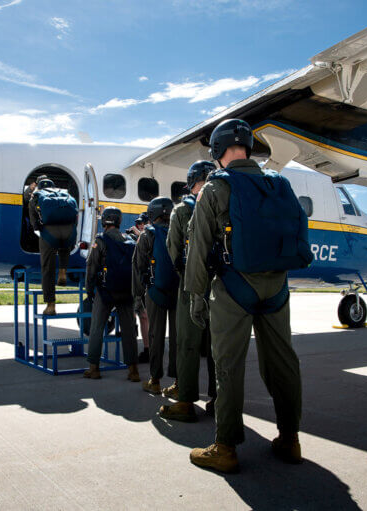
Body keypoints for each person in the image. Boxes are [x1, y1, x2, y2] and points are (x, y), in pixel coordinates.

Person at [185, 118, 312, 473]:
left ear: (217, 149)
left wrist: (196, 295)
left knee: (228, 366)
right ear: (248, 148)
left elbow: (198, 248)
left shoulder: (215, 188)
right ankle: (290, 438)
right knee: (283, 363)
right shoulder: (278, 183)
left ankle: (225, 447)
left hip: (234, 287)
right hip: (277, 288)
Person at [159, 160, 217, 423]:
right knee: (217, 346)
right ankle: (218, 400)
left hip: (191, 284)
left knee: (187, 344)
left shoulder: (182, 210)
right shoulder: (222, 202)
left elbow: (173, 249)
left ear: (192, 181)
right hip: (219, 285)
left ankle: (185, 401)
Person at [83, 207, 140, 381]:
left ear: (104, 221)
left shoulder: (100, 240)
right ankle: (133, 370)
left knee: (97, 328)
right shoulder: (129, 240)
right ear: (119, 221)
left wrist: (89, 290)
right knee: (129, 331)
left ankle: (94, 368)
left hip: (106, 292)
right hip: (127, 292)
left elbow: (91, 267)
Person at [132, 197, 178, 394]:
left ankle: (155, 380)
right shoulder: (180, 231)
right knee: (177, 338)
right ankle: (178, 382)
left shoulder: (147, 234)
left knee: (156, 335)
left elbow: (138, 266)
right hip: (179, 292)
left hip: (155, 291)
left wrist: (137, 295)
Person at [29, 175, 78, 316]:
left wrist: (40, 227)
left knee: (47, 269)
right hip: (69, 232)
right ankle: (63, 271)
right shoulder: (64, 194)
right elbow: (75, 218)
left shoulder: (36, 197)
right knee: (65, 245)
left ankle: (51, 305)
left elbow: (34, 224)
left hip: (49, 234)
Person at [127, 212, 151, 363]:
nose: (140, 226)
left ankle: (148, 349)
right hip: (136, 283)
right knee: (139, 315)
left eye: (143, 223)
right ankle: (143, 348)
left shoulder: (152, 236)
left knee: (145, 316)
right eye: (139, 224)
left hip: (148, 283)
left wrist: (140, 235)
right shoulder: (136, 237)